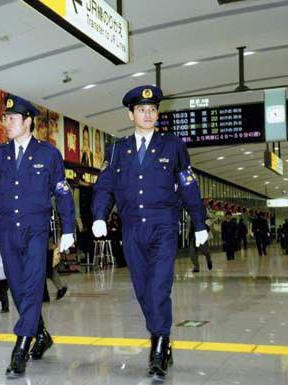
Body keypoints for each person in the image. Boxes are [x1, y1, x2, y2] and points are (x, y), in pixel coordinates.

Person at [91, 85, 208, 378]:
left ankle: (158, 345)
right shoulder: (117, 148)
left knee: (159, 287)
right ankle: (162, 339)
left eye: (153, 110)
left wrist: (200, 221)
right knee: (143, 289)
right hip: (132, 228)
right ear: (130, 115)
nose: (148, 114)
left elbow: (188, 185)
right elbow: (105, 185)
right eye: (142, 110)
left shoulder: (173, 146)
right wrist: (99, 215)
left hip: (164, 224)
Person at [0, 95, 75, 378]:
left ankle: (21, 347)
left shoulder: (48, 153)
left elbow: (62, 192)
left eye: (12, 118)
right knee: (17, 288)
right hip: (7, 231)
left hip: (36, 230)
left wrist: (68, 228)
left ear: (28, 121)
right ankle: (41, 334)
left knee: (31, 287)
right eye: (5, 118)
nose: (6, 123)